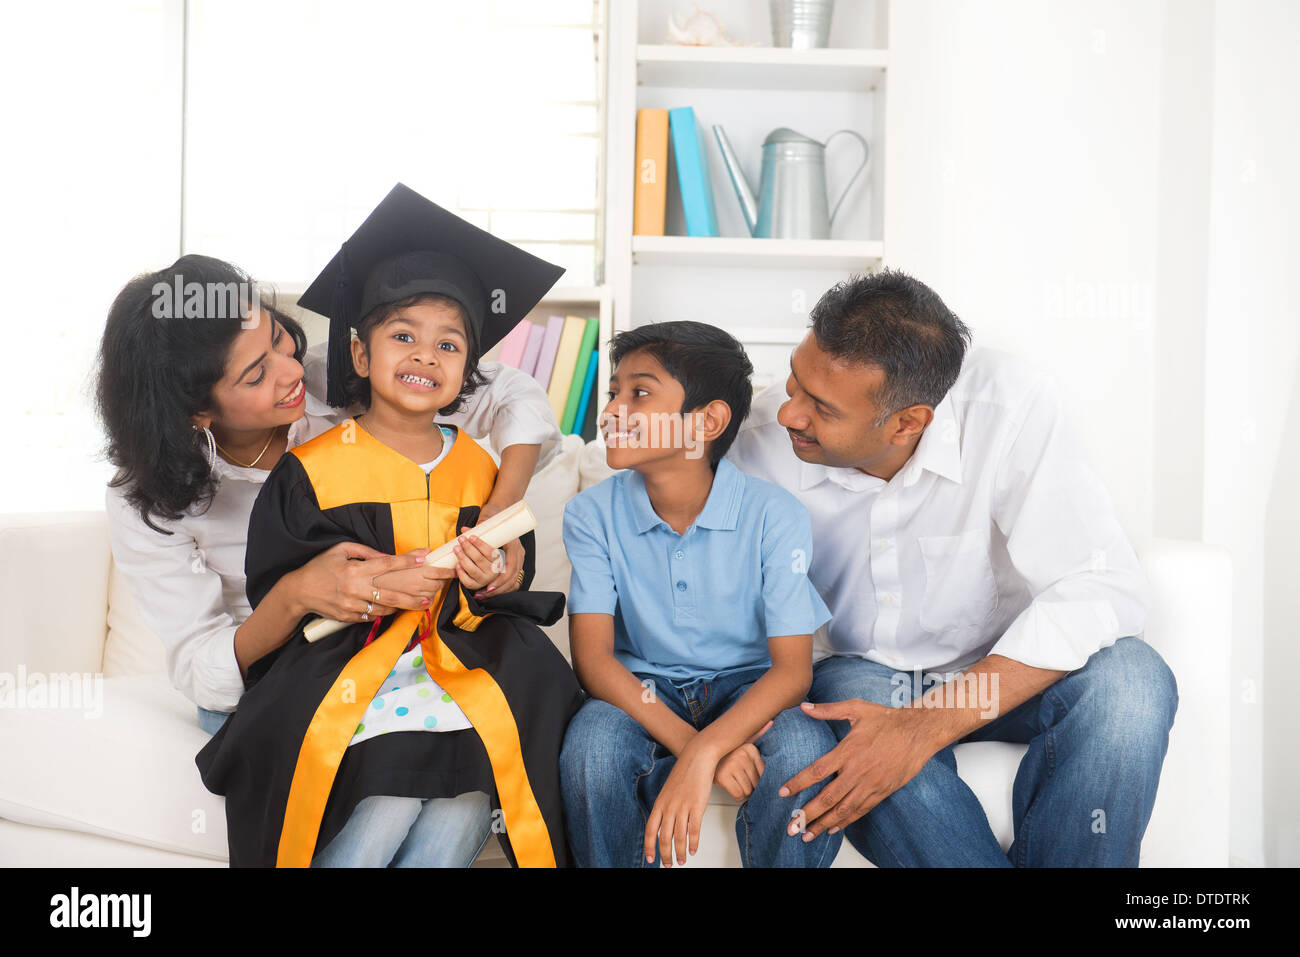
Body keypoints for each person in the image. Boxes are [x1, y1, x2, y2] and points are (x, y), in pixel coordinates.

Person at [723, 268, 1178, 867]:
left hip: (1008, 669)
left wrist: (925, 725)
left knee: (1133, 680)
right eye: (795, 383)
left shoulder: (1009, 407)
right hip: (867, 673)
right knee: (860, 733)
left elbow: (1101, 585)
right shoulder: (754, 446)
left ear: (909, 422)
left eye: (822, 408)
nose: (789, 415)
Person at [194, 183, 583, 868]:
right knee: (387, 803)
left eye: (448, 345)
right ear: (361, 355)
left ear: (468, 372)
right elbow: (281, 583)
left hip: (461, 655)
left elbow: (505, 564)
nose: (426, 356)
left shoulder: (478, 464)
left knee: (470, 795)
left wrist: (496, 571)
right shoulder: (314, 466)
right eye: (403, 336)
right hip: (352, 659)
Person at [97, 255, 560, 735]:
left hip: (406, 661)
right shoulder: (146, 501)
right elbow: (202, 666)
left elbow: (513, 394)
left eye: (278, 337)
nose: (291, 371)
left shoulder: (340, 375)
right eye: (256, 376)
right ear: (196, 412)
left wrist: (500, 512)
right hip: (288, 673)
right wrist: (297, 595)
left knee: (459, 792)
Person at [559, 320, 842, 868]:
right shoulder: (590, 515)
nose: (613, 409)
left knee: (805, 748)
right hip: (644, 687)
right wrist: (693, 745)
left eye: (639, 393)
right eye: (614, 391)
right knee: (592, 749)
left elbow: (791, 673)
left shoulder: (774, 515)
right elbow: (592, 660)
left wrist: (711, 746)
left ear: (707, 420)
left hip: (750, 685)